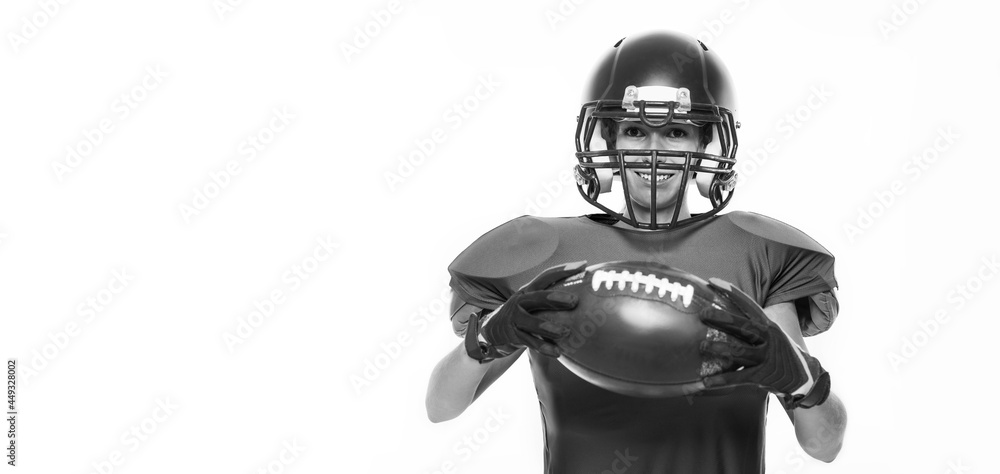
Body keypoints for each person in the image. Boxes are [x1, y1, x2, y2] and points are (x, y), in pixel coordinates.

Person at [426, 31, 847, 473]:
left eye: (677, 132)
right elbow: (441, 407)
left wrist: (798, 376)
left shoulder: (754, 254)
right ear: (607, 139)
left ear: (706, 143)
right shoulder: (545, 255)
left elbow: (825, 444)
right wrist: (491, 335)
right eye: (633, 130)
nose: (654, 151)